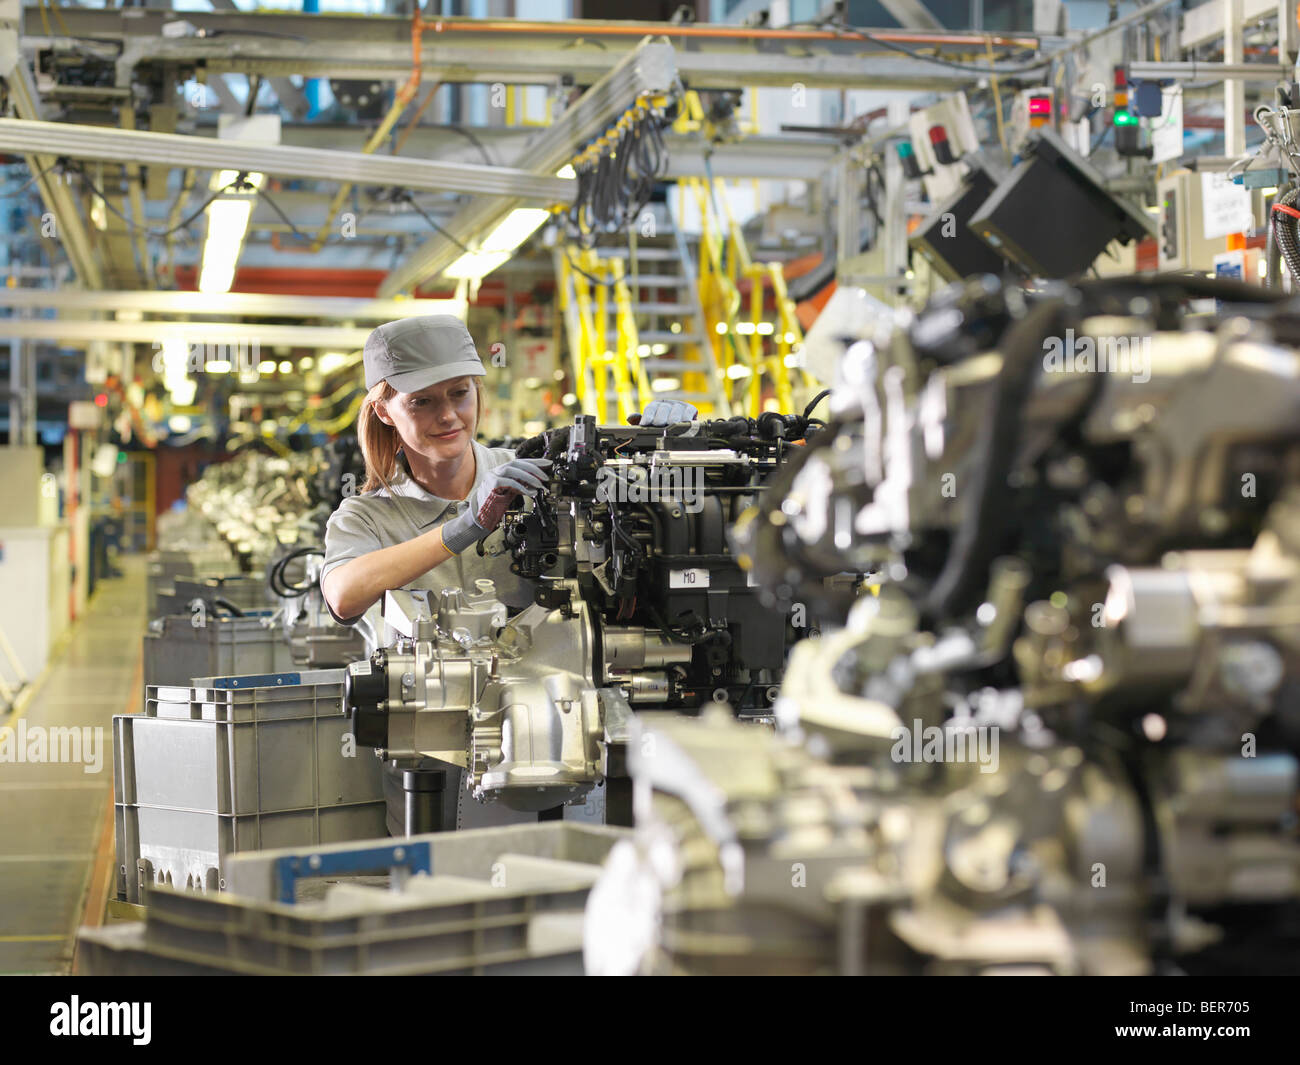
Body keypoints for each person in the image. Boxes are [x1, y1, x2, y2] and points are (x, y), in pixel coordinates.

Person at [319, 313, 695, 833]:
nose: (448, 416)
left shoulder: (530, 473)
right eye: (422, 401)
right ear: (384, 410)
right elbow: (343, 595)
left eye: (459, 394)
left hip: (569, 747)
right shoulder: (366, 517)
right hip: (436, 773)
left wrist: (664, 450)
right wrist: (468, 525)